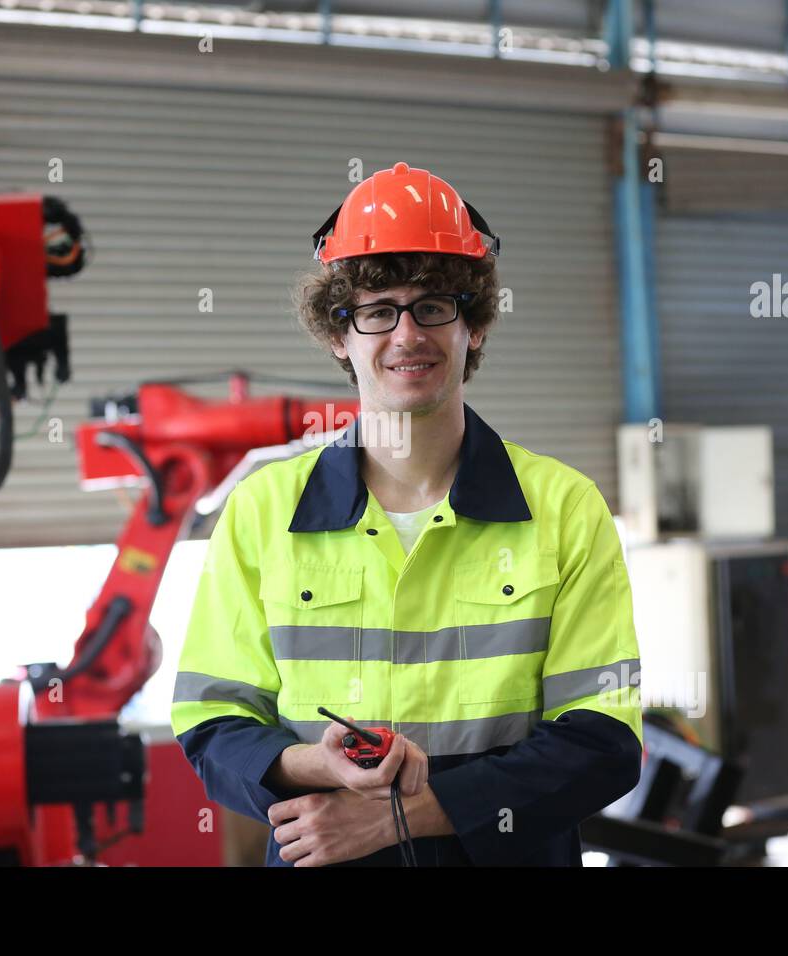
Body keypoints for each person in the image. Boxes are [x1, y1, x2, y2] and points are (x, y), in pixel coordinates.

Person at [171, 162, 642, 866]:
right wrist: (316, 765)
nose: (406, 334)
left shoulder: (564, 508)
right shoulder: (263, 511)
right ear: (340, 335)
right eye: (376, 310)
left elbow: (602, 743)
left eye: (433, 306)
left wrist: (405, 817)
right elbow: (212, 722)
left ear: (474, 326)